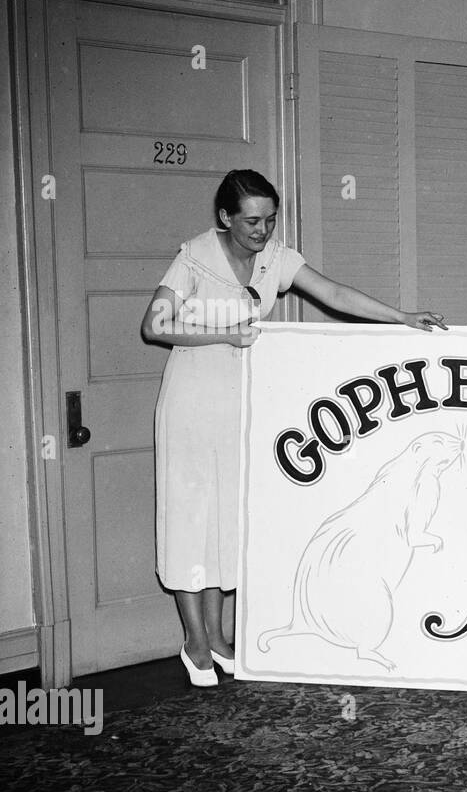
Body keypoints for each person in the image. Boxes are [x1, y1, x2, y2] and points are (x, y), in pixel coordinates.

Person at [141, 169, 446, 688]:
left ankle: (218, 638)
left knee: (227, 525)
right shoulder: (193, 256)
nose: (262, 230)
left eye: (270, 220)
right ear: (225, 218)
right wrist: (224, 334)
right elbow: (154, 325)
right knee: (191, 523)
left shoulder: (275, 259)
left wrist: (402, 317)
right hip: (191, 408)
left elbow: (333, 293)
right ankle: (194, 641)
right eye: (252, 221)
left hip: (242, 408)